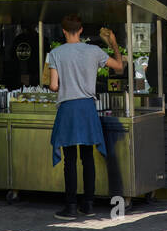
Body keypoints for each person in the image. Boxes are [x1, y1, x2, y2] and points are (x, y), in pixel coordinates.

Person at [49, 14, 126, 219]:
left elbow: (54, 86)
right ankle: (88, 205)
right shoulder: (94, 51)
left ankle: (71, 207)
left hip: (68, 108)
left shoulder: (55, 53)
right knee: (87, 157)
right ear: (81, 30)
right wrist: (114, 43)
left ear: (63, 31)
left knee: (70, 159)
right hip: (87, 108)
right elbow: (119, 67)